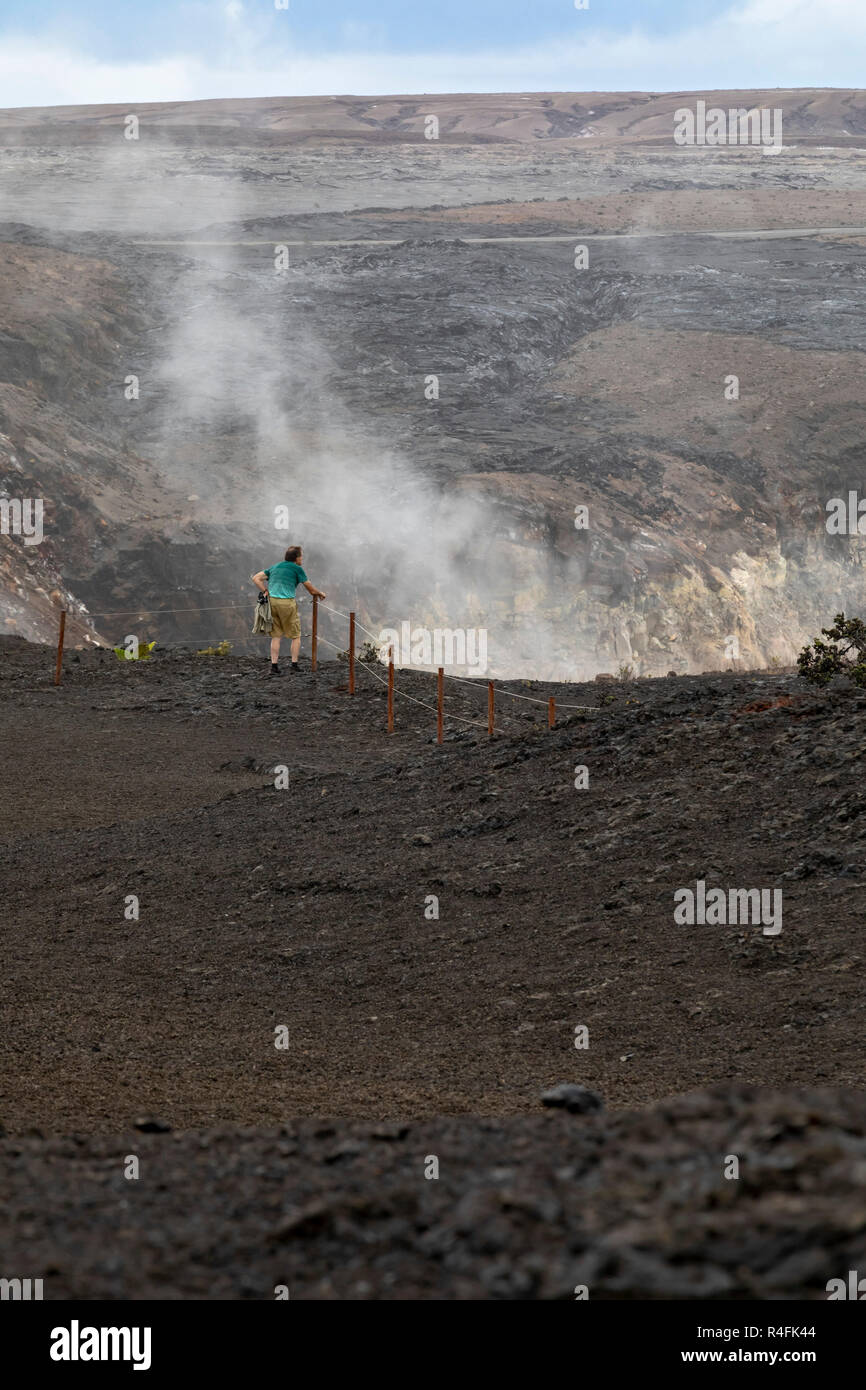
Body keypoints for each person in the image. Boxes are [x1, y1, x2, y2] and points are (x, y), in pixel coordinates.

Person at [251, 545, 326, 675]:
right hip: (287, 603)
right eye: (301, 556)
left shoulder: (275, 567)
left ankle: (274, 667)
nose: (302, 558)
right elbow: (311, 590)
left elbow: (256, 578)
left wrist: (265, 591)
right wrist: (320, 593)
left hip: (272, 602)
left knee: (275, 636)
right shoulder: (298, 569)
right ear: (296, 558)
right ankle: (294, 665)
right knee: (295, 635)